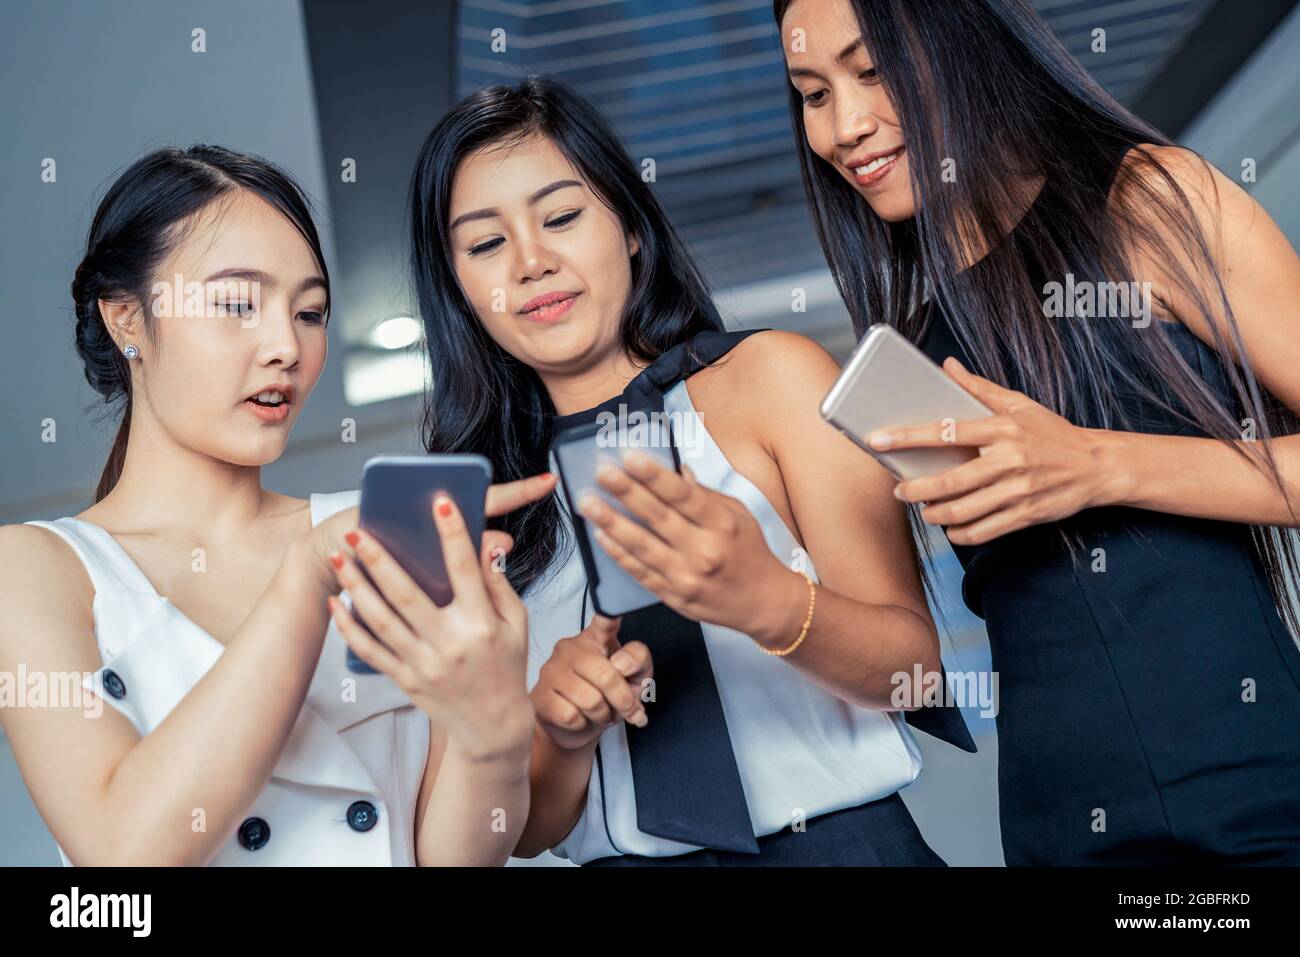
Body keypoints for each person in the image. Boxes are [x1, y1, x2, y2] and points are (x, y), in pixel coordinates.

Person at [775, 0, 1300, 863]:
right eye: (812, 92)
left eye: (871, 72)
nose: (846, 126)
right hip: (1054, 826)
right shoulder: (913, 349)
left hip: (1251, 801)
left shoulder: (1148, 201)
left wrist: (1099, 465)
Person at [405, 75, 970, 866]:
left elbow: (914, 672)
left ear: (631, 228)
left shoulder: (774, 379)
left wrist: (768, 600)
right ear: (459, 288)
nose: (531, 262)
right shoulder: (457, 508)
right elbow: (501, 836)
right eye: (486, 244)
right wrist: (559, 736)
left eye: (562, 217)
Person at [0, 145, 552, 866]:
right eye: (236, 304)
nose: (285, 345)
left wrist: (495, 735)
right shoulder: (36, 568)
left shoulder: (381, 527)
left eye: (311, 311)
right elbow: (122, 850)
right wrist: (306, 578)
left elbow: (449, 859)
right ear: (127, 319)